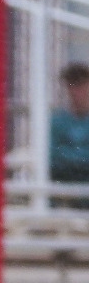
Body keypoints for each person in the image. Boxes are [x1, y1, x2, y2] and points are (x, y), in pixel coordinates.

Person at [51, 64, 89, 192]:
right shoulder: (57, 122)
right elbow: (52, 153)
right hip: (63, 185)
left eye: (81, 84)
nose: (76, 91)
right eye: (72, 85)